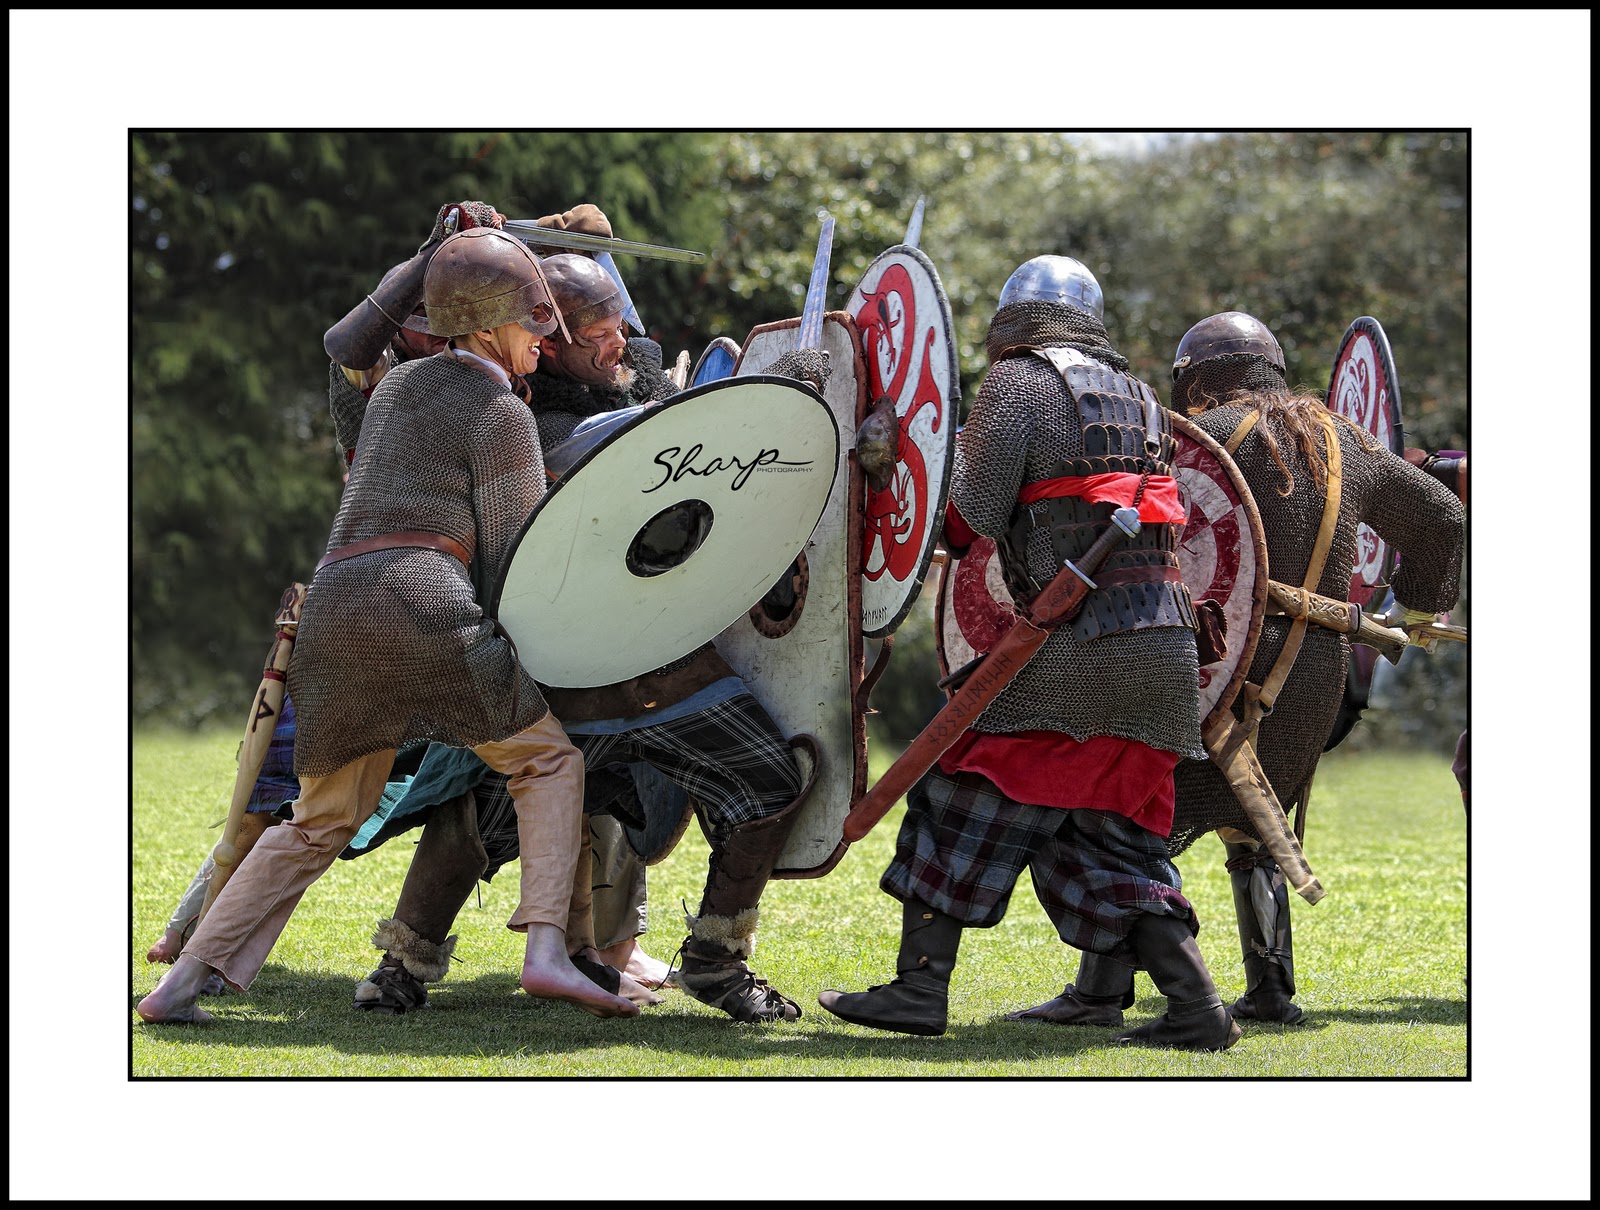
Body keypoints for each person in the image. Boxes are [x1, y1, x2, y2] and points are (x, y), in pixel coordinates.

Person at [136, 225, 638, 1023]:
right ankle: (546, 951)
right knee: (549, 764)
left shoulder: (397, 389)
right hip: (423, 602)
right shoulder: (500, 410)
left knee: (317, 823)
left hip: (334, 612)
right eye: (532, 322)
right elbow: (517, 553)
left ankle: (180, 986)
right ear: (486, 325)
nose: (544, 341)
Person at [351, 236, 822, 1024]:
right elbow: (609, 447)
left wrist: (795, 417)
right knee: (478, 811)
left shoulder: (633, 396)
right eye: (593, 334)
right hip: (564, 673)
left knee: (770, 781)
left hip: (667, 660)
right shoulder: (516, 420)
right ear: (547, 342)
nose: (616, 346)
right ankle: (404, 961)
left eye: (618, 329)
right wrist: (749, 406)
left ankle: (716, 958)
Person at [818, 255, 1241, 1051]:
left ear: (1012, 319)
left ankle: (919, 988)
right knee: (1109, 837)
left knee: (957, 794)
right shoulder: (1140, 396)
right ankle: (1197, 1009)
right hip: (1162, 646)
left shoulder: (1019, 383)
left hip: (1076, 645)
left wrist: (895, 461)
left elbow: (966, 520)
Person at [1013, 310, 1464, 1028]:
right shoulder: (1343, 443)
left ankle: (1101, 992)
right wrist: (1413, 605)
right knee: (1254, 818)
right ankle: (1270, 988)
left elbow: (1132, 539)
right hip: (1314, 673)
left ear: (1197, 379)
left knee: (1131, 817)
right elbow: (1443, 517)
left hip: (1217, 659)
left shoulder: (1201, 438)